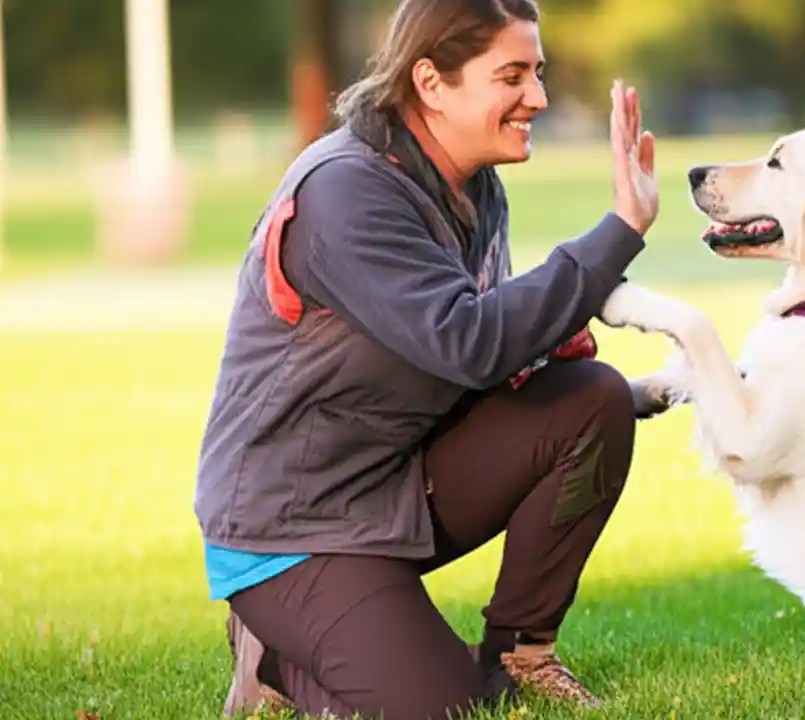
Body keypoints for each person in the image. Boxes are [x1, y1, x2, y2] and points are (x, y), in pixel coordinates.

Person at [191, 0, 660, 718]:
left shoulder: (476, 189)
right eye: (512, 75)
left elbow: (470, 351)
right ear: (431, 82)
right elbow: (464, 339)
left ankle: (519, 653)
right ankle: (274, 655)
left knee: (590, 399)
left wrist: (544, 346)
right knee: (441, 708)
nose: (536, 97)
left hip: (392, 478)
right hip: (293, 525)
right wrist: (619, 231)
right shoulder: (346, 191)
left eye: (537, 73)